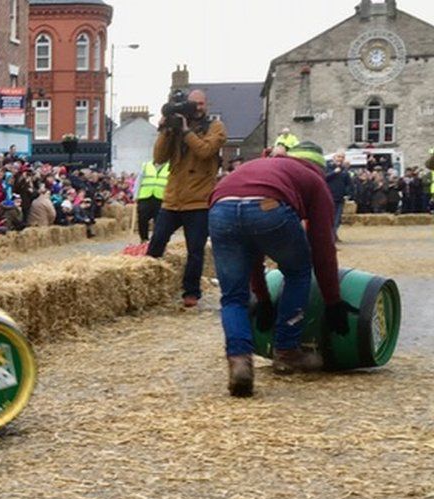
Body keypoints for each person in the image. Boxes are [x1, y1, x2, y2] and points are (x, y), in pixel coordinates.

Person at [209, 142, 354, 398]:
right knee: (298, 271)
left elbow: (252, 254)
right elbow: (322, 247)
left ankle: (240, 361)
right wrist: (333, 301)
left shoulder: (263, 165)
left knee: (233, 296)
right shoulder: (315, 181)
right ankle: (287, 352)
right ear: (320, 168)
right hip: (269, 205)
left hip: (221, 205)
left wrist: (263, 297)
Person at [147, 89, 227, 307]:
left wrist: (185, 132)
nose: (197, 108)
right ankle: (147, 286)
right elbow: (159, 157)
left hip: (198, 200)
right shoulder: (175, 127)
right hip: (173, 199)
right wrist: (165, 130)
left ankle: (191, 292)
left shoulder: (215, 127)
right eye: (193, 104)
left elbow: (205, 151)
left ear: (206, 105)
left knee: (195, 250)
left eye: (200, 104)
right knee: (156, 243)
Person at [135, 160, 169, 242]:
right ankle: (144, 239)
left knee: (159, 220)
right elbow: (139, 181)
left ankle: (156, 240)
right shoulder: (146, 165)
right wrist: (136, 195)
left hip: (161, 197)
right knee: (142, 218)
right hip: (145, 196)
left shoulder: (169, 166)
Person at [324, 151, 352, 241]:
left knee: (337, 219)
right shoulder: (327, 168)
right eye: (338, 157)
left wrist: (348, 194)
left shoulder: (344, 170)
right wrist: (334, 172)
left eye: (342, 157)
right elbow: (323, 178)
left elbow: (348, 183)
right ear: (334, 158)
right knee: (329, 218)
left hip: (340, 198)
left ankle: (333, 236)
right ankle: (330, 237)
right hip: (328, 197)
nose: (340, 159)